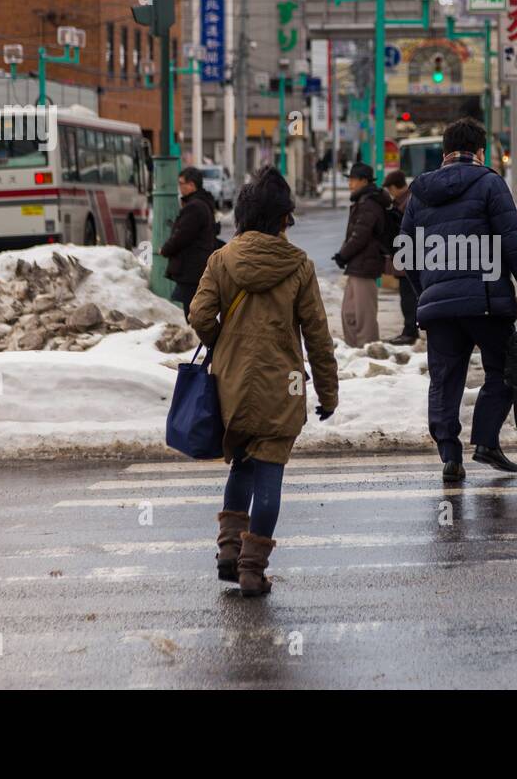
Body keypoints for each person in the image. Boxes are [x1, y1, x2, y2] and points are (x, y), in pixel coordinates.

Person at [188, 166, 339, 597]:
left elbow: (199, 316)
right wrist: (327, 393)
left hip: (231, 383)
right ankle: (252, 570)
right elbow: (317, 336)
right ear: (281, 219)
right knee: (269, 470)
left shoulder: (221, 260)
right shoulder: (298, 266)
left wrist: (223, 344)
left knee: (241, 460)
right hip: (284, 383)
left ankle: (228, 552)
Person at [400, 117, 517, 483]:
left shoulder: (419, 192)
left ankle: (450, 455)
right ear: (479, 151)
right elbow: (513, 245)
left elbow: (405, 255)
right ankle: (485, 442)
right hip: (485, 303)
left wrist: (427, 295)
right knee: (504, 369)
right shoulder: (490, 184)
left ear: (445, 151)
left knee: (445, 379)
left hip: (439, 309)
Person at [332, 163, 391, 347]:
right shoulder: (363, 201)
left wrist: (343, 254)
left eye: (353, 179)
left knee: (363, 315)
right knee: (349, 312)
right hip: (358, 264)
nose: (349, 183)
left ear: (364, 181)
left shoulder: (369, 204)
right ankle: (354, 350)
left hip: (365, 265)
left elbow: (360, 235)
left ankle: (368, 350)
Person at [160, 166, 219, 320]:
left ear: (191, 185)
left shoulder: (195, 207)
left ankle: (197, 340)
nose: (179, 187)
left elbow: (182, 235)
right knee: (194, 308)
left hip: (191, 268)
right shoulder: (202, 203)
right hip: (196, 266)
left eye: (181, 183)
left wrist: (165, 249)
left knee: (192, 313)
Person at [381, 170, 418, 345]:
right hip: (407, 257)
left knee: (408, 296)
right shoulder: (404, 201)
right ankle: (409, 329)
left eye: (390, 189)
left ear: (395, 187)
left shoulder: (407, 203)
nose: (390, 193)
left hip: (409, 258)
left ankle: (410, 331)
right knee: (408, 296)